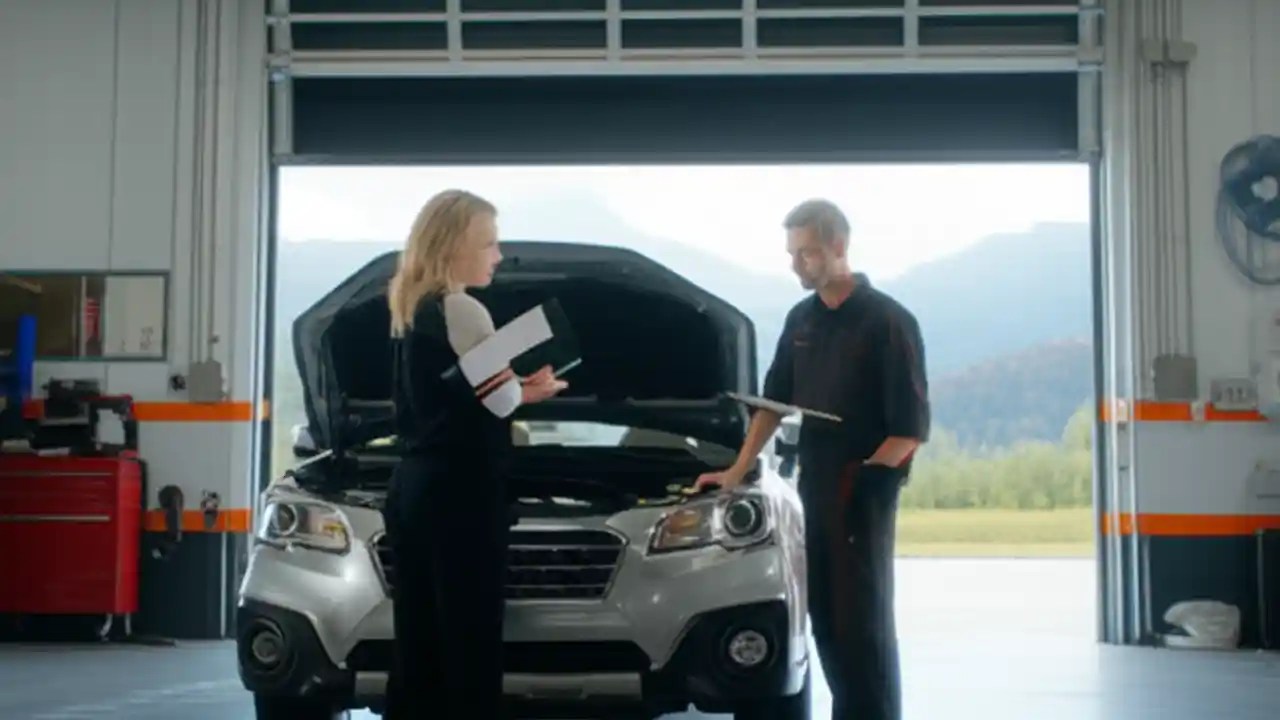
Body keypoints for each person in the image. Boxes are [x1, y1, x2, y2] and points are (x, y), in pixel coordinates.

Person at [693, 199, 930, 720]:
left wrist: (869, 482)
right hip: (812, 490)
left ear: (839, 247)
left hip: (863, 492)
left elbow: (910, 428)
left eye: (807, 253)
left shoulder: (889, 321)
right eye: (792, 254)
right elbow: (772, 404)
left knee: (860, 628)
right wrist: (736, 471)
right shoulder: (801, 319)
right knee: (820, 618)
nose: (797, 264)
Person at [381, 189, 567, 719]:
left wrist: (518, 389)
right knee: (469, 636)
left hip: (414, 486)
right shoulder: (462, 307)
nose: (498, 255)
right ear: (455, 247)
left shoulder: (410, 305)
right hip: (460, 493)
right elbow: (500, 400)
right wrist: (538, 389)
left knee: (418, 638)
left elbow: (459, 392)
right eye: (488, 243)